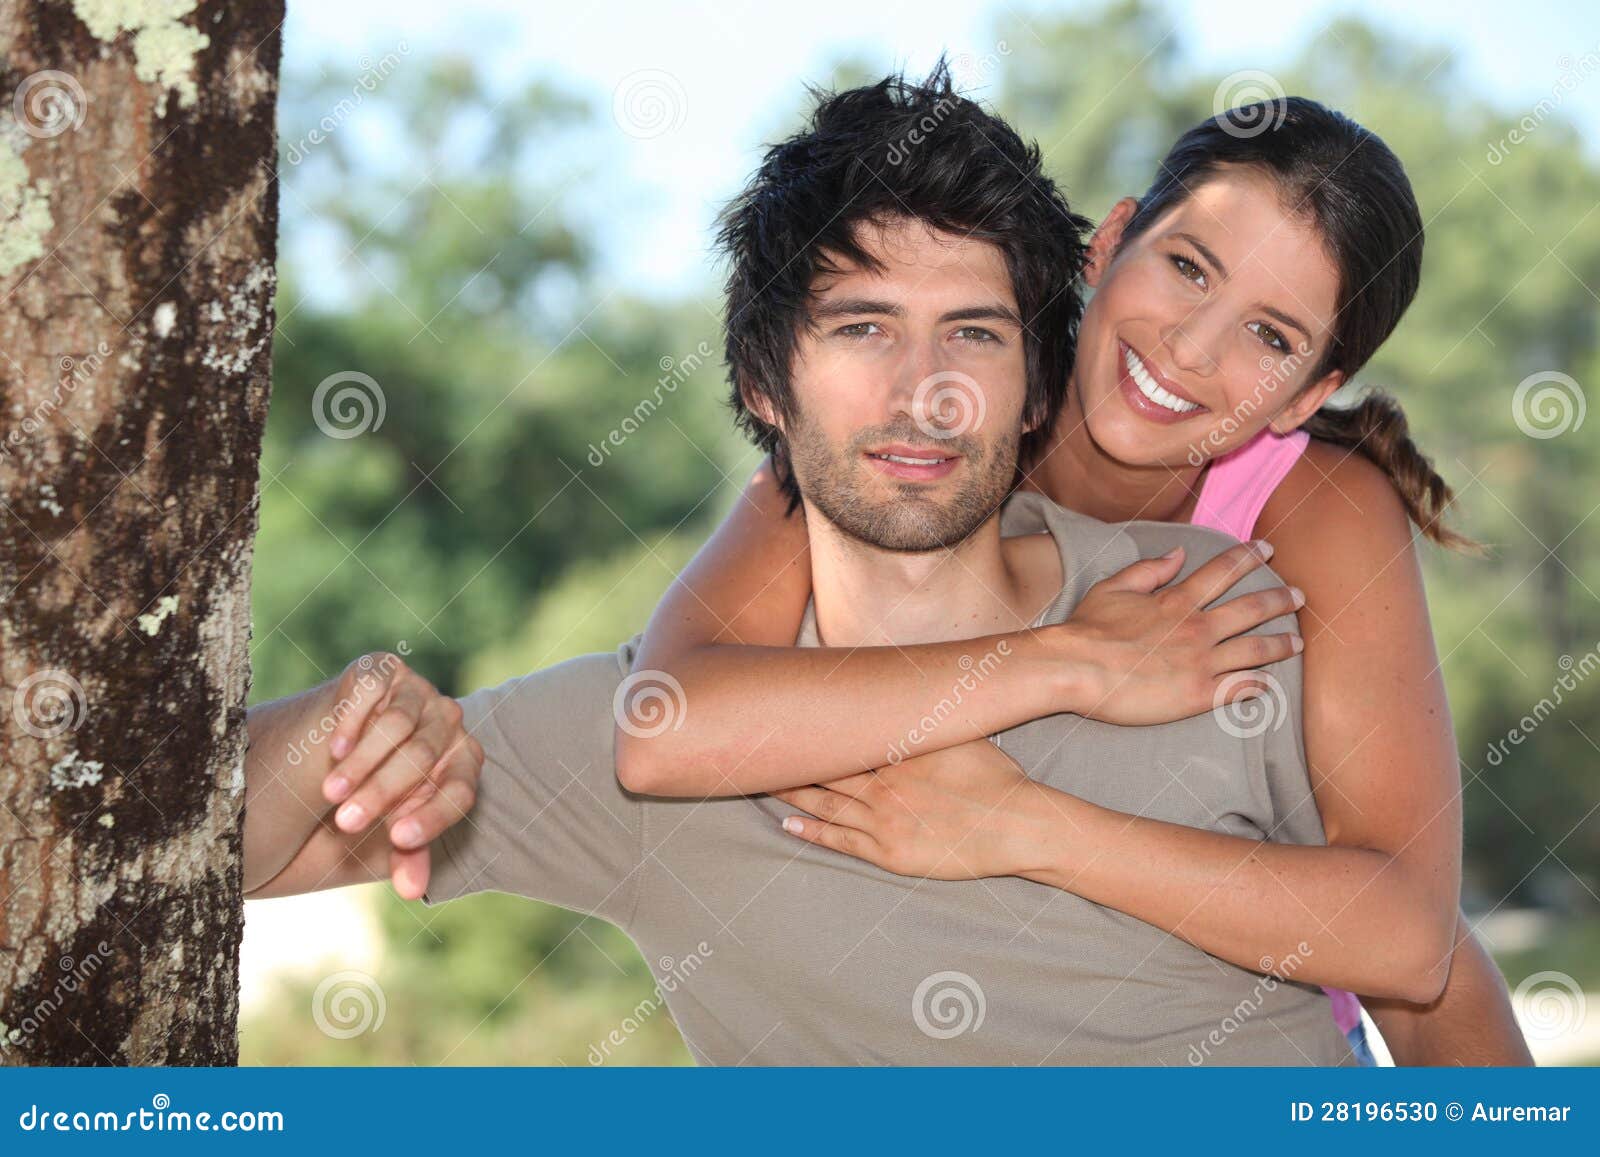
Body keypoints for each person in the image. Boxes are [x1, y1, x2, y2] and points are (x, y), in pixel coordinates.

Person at [242, 68, 1351, 1065]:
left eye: (973, 333)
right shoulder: (650, 738)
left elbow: (1405, 947)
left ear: (1034, 390)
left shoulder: (1202, 602)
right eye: (863, 329)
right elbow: (221, 844)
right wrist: (338, 722)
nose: (927, 391)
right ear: (767, 385)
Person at [609, 71, 1529, 1065]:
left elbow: (1407, 939)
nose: (1189, 345)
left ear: (1311, 391)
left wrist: (1028, 825)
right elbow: (667, 727)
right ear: (1113, 237)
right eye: (1186, 266)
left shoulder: (1316, 512)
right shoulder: (917, 432)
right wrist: (1070, 658)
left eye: (1270, 336)